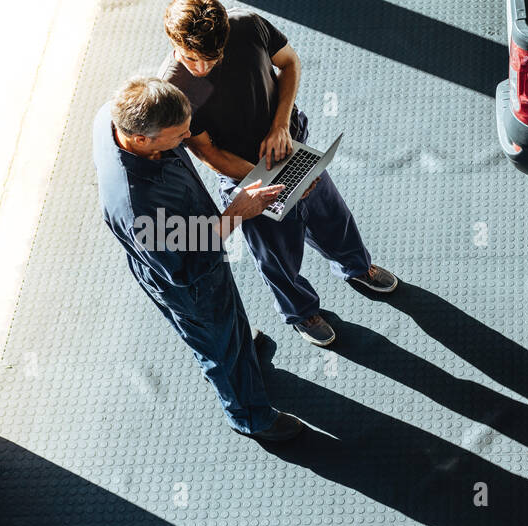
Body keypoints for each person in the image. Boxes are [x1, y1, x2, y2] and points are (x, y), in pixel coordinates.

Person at [160, 0, 399, 348]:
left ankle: (356, 267)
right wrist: (281, 182)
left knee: (334, 218)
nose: (200, 68)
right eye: (190, 57)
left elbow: (289, 63)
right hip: (246, 178)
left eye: (211, 59)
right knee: (277, 257)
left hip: (290, 145)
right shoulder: (173, 89)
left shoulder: (248, 25)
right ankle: (301, 312)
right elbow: (208, 152)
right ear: (174, 41)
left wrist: (280, 125)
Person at [93, 76, 303, 441]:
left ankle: (240, 348)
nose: (187, 140)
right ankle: (250, 417)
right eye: (179, 137)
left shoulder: (114, 116)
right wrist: (236, 214)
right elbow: (184, 265)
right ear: (142, 139)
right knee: (216, 346)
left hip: (194, 243)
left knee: (229, 322)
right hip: (187, 279)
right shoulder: (137, 207)